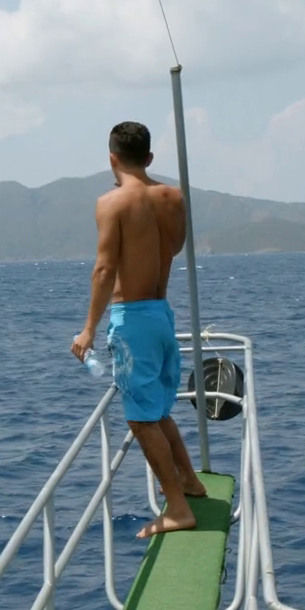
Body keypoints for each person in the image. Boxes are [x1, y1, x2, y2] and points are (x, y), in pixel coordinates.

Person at [70, 120, 207, 538]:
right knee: (158, 409)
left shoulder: (110, 203)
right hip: (163, 314)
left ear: (112, 158)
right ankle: (189, 481)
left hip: (132, 320)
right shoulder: (173, 197)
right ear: (149, 158)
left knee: (140, 419)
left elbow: (105, 268)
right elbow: (174, 247)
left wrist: (89, 329)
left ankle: (178, 510)